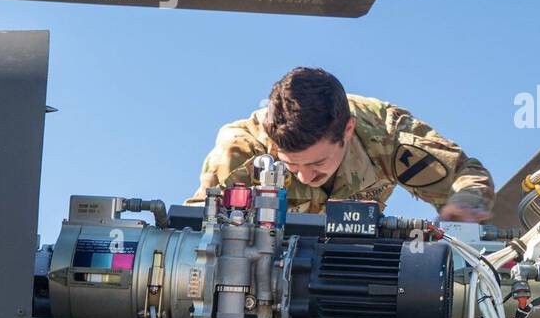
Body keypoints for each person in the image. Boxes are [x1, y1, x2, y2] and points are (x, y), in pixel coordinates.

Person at [186, 66, 494, 221]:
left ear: (348, 130)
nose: (305, 176)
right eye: (292, 164)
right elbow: (197, 230)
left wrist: (463, 204)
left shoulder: (384, 137)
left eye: (318, 164)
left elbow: (465, 173)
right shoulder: (240, 148)